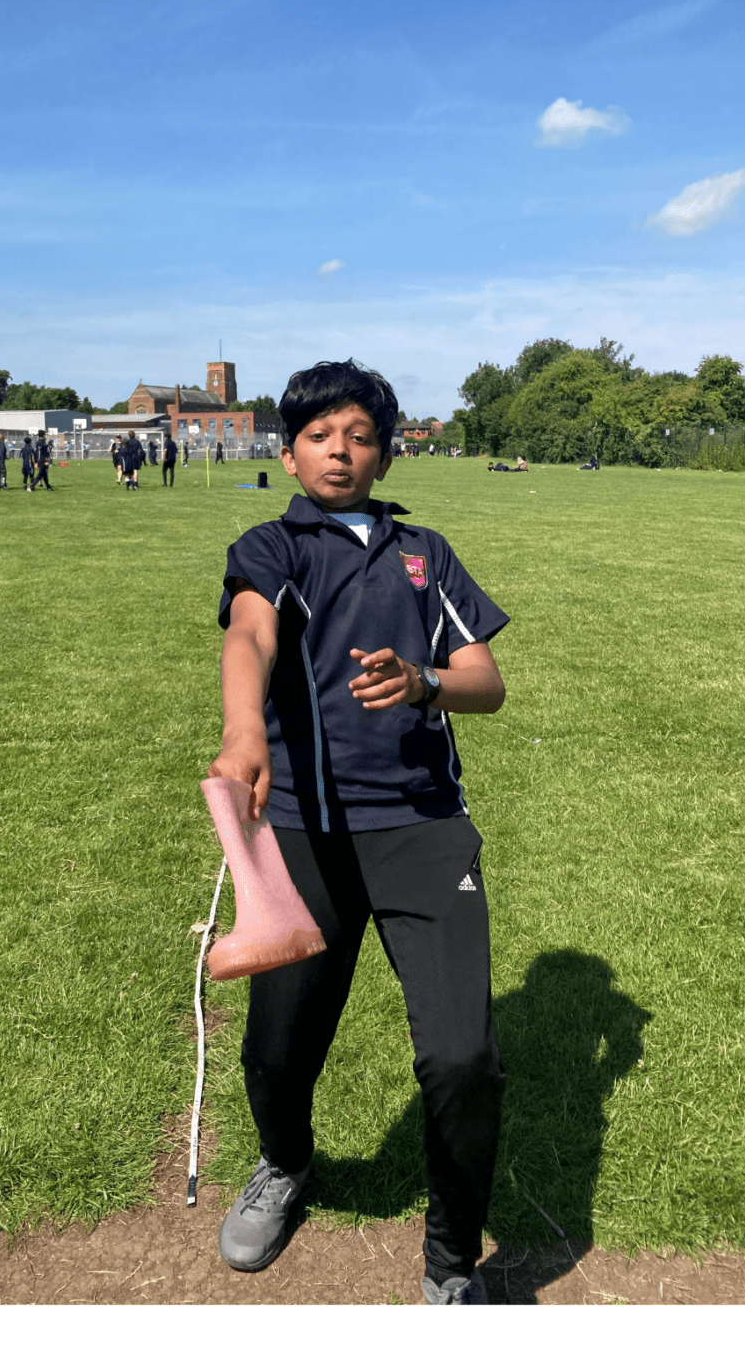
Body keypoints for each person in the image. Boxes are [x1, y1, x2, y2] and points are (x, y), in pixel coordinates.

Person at [208, 358, 509, 1307]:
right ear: (291, 452)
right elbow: (250, 634)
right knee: (277, 1052)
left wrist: (424, 681)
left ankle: (451, 1263)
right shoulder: (272, 546)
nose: (340, 452)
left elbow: (487, 684)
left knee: (463, 1059)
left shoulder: (426, 554)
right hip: (304, 828)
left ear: (385, 452)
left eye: (360, 436)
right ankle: (285, 1165)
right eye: (319, 436)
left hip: (422, 828)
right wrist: (244, 732)